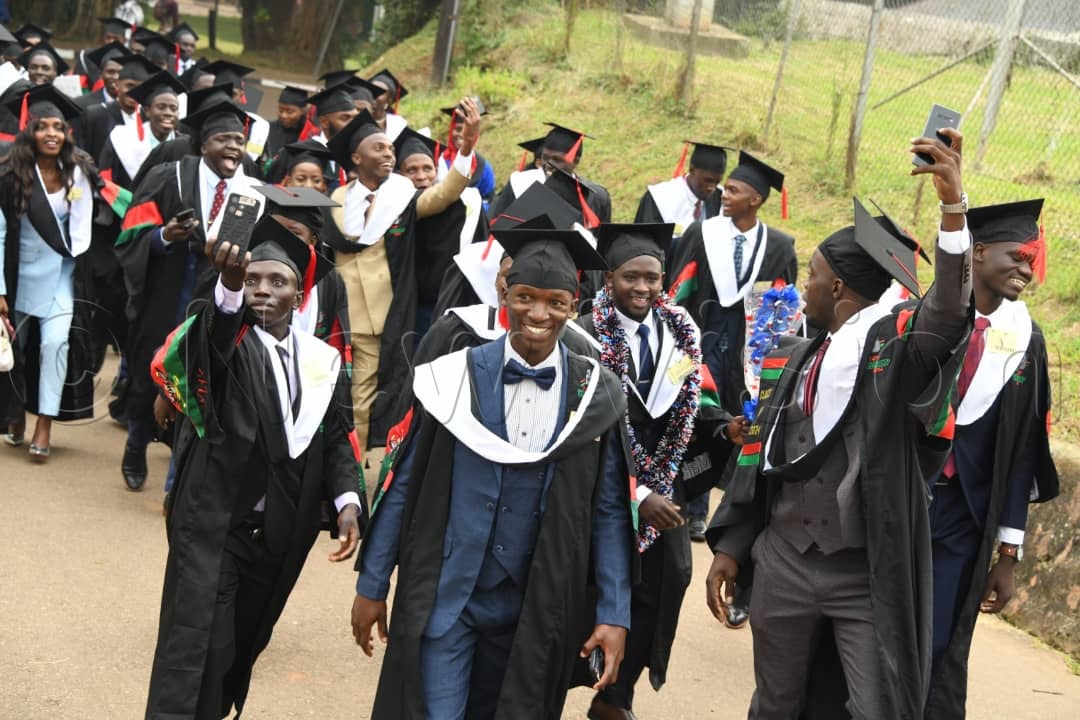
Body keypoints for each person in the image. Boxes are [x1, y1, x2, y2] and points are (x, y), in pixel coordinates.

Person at [704, 130, 973, 719]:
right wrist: (731, 545)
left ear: (839, 287)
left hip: (863, 574)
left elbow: (949, 313)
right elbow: (757, 461)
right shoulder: (790, 357)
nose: (804, 288)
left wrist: (952, 206)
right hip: (785, 561)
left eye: (812, 277)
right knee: (774, 706)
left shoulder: (890, 356)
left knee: (876, 708)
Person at [351, 223, 633, 720]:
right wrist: (373, 584)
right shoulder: (452, 377)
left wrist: (614, 612)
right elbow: (405, 484)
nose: (538, 314)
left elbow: (609, 510)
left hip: (536, 601)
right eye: (525, 296)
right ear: (505, 292)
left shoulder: (598, 393)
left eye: (555, 302)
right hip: (450, 593)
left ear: (574, 306)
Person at [145, 218, 364, 720]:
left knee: (237, 652)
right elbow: (212, 338)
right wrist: (226, 288)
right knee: (198, 650)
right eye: (253, 280)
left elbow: (335, 436)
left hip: (278, 535)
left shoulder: (322, 360)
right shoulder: (227, 344)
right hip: (214, 526)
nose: (262, 290)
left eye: (277, 281)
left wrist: (348, 501)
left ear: (300, 293)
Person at [924, 199, 1060, 719]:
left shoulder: (1025, 342)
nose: (1028, 270)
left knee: (936, 643)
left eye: (1032, 260)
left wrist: (1008, 553)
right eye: (1017, 256)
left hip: (965, 517)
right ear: (977, 253)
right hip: (904, 501)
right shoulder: (924, 318)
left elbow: (1024, 448)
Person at [579, 223, 713, 720]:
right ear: (609, 277)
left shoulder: (681, 331)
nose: (642, 288)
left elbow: (692, 401)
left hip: (666, 478)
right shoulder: (584, 335)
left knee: (667, 580)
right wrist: (635, 495)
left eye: (652, 278)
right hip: (601, 482)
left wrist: (724, 432)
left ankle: (617, 696)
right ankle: (563, 679)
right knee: (594, 581)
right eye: (631, 277)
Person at [115, 99, 265, 492]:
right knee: (151, 377)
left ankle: (175, 477)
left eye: (239, 140)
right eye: (223, 139)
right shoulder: (169, 177)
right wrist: (165, 236)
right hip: (166, 295)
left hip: (214, 302)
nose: (233, 147)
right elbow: (131, 233)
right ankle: (135, 444)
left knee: (198, 381)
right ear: (203, 146)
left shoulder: (252, 189)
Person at [320, 101, 478, 452]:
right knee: (334, 394)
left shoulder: (401, 197)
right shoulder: (338, 198)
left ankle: (357, 480)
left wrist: (465, 148)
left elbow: (443, 193)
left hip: (388, 314)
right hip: (341, 313)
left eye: (391, 148)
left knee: (367, 399)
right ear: (357, 158)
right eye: (379, 148)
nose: (389, 154)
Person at [667, 150, 797, 558]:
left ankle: (728, 510)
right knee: (692, 415)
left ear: (755, 199)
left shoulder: (778, 246)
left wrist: (769, 359)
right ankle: (692, 505)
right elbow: (678, 291)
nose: (725, 194)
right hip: (699, 343)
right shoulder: (700, 234)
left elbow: (782, 306)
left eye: (736, 190)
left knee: (738, 425)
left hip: (745, 353)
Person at [0, 86, 98, 459]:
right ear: (30, 131)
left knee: (56, 344)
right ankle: (15, 414)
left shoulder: (77, 173)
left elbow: (81, 229)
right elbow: (0, 231)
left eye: (59, 127)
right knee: (18, 349)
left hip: (60, 274)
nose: (53, 134)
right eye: (43, 127)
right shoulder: (9, 173)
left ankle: (44, 422)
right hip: (18, 275)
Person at [392, 126, 487, 337]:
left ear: (437, 170)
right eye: (411, 170)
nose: (421, 176)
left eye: (427, 168)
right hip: (411, 308)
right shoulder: (394, 208)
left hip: (453, 303)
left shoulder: (463, 204)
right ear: (399, 174)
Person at [490, 122, 611, 226]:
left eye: (558, 160)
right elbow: (496, 224)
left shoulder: (594, 196)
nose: (549, 164)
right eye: (545, 157)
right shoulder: (520, 183)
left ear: (576, 161)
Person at [634, 141, 726, 269]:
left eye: (717, 182)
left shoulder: (721, 197)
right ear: (692, 169)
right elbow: (643, 247)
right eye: (708, 180)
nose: (712, 188)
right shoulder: (660, 197)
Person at [98, 70, 184, 190]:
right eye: (161, 107)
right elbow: (106, 182)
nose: (168, 113)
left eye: (173, 108)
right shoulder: (121, 139)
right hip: (123, 206)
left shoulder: (184, 145)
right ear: (147, 111)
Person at [71, 53, 158, 165]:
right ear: (117, 85)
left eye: (140, 88)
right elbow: (80, 151)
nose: (134, 93)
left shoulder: (147, 118)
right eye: (129, 86)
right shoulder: (95, 115)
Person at [437, 101, 496, 204]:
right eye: (458, 129)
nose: (463, 134)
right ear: (451, 130)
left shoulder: (483, 167)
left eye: (468, 130)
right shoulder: (436, 159)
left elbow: (488, 201)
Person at [73, 41, 131, 111]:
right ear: (101, 74)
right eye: (110, 72)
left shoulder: (134, 105)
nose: (116, 77)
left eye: (120, 72)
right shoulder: (81, 104)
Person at [265, 85, 309, 161]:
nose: (284, 115)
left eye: (290, 112)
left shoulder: (309, 133)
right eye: (280, 110)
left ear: (303, 110)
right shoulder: (267, 128)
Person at [368, 68, 408, 140]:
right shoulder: (357, 119)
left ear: (389, 100)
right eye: (372, 89)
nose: (374, 94)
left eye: (380, 92)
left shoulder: (398, 124)